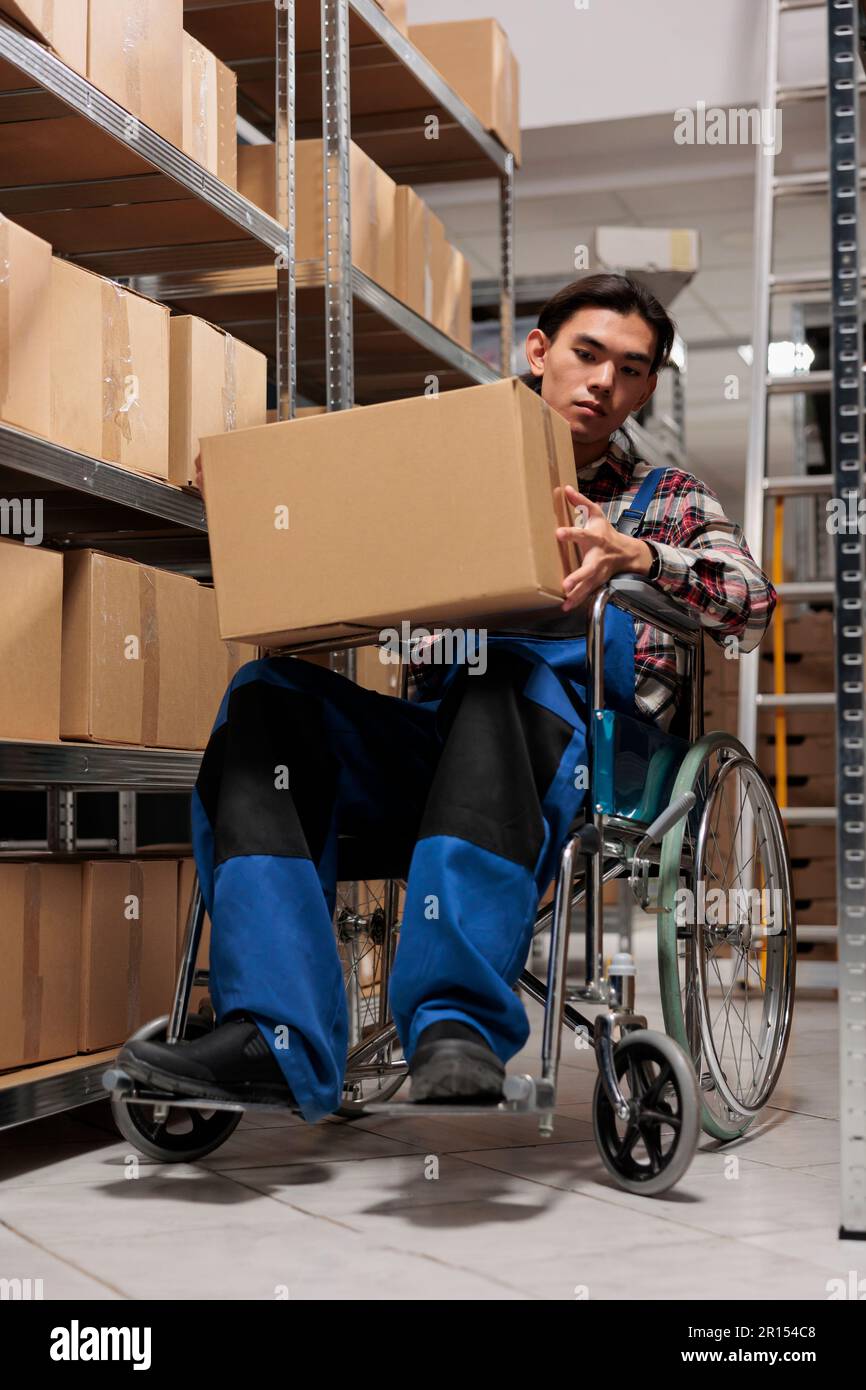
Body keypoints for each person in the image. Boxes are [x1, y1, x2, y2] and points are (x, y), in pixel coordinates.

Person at [119, 274, 777, 1121]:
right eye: (586, 354)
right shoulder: (446, 470)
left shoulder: (669, 499)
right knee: (265, 700)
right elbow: (331, 552)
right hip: (435, 742)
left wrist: (642, 558)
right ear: (539, 352)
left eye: (631, 368)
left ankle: (455, 1022)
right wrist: (260, 502)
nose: (604, 381)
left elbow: (753, 604)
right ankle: (274, 1038)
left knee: (505, 677)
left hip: (589, 754)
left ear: (647, 386)